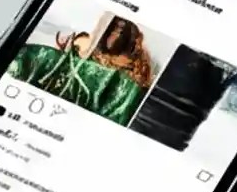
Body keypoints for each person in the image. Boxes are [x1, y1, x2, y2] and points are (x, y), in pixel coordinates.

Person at [8, 17, 155, 125]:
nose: (116, 34)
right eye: (114, 29)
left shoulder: (126, 79)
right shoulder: (76, 55)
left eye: (119, 31)